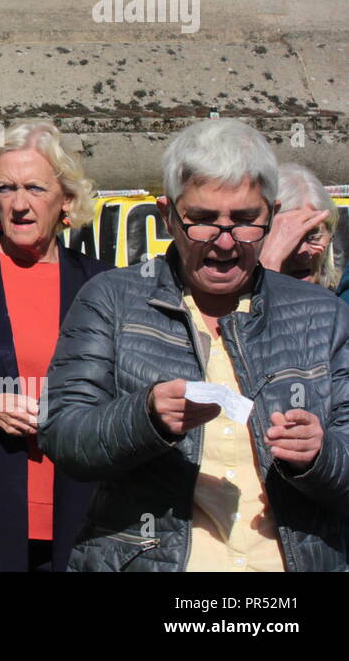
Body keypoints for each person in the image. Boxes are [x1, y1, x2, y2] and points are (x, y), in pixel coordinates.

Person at [40, 118, 349, 571]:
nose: (224, 242)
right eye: (202, 221)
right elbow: (63, 433)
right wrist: (143, 417)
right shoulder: (113, 299)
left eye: (245, 222)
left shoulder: (321, 314)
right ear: (167, 215)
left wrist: (320, 455)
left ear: (272, 212)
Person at [0, 121, 110, 572]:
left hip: (84, 514)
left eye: (35, 187)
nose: (21, 204)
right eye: (7, 188)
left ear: (66, 199)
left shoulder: (103, 284)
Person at [260, 163, 341, 292]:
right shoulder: (234, 303)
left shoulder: (339, 306)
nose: (302, 253)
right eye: (289, 236)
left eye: (314, 237)